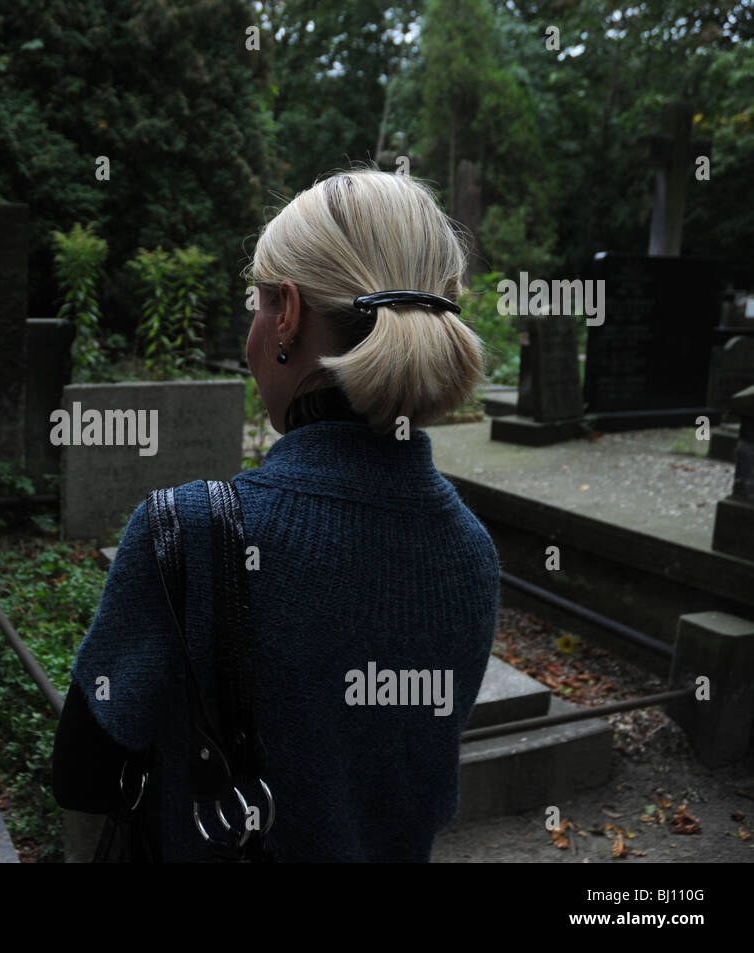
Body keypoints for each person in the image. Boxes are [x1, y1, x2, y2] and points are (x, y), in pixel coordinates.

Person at [52, 168, 500, 862]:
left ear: (287, 313)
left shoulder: (187, 533)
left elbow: (82, 776)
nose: (251, 333)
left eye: (256, 304)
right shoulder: (471, 551)